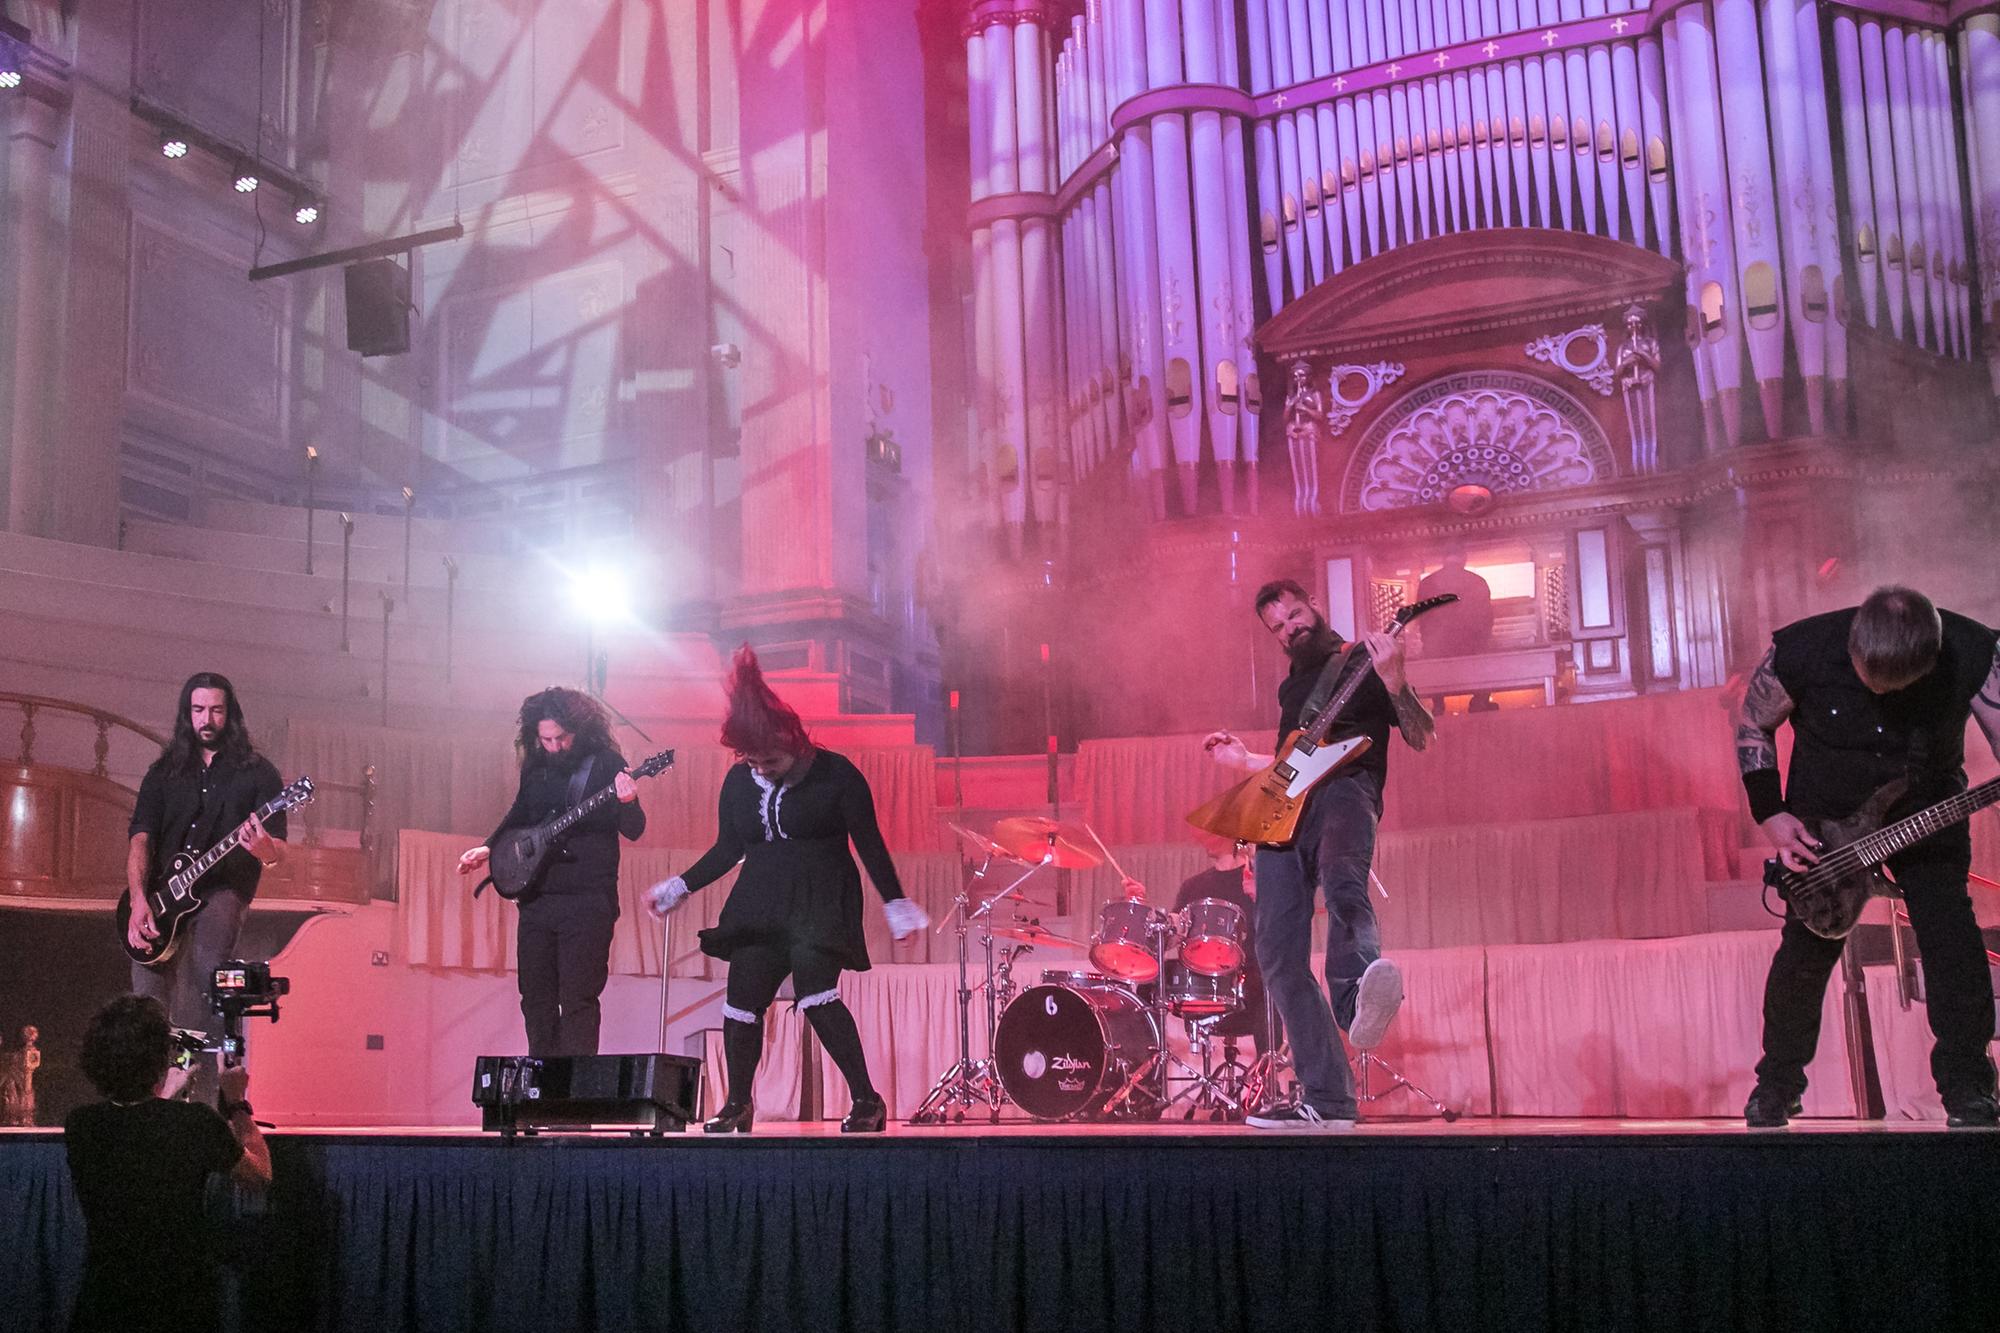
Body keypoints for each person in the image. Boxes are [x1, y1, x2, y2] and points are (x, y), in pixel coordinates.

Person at [1735, 585, 2000, 1128]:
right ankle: (1777, 1084)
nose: (1880, 691)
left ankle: (1968, 1085)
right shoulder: (1804, 650)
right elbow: (1752, 723)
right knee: (1806, 953)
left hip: (1928, 814)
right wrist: (1771, 813)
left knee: (1951, 942)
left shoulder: (1974, 652)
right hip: (1825, 825)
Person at [646, 646, 929, 1133]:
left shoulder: (838, 776)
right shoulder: (739, 781)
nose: (762, 768)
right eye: (752, 760)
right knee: (742, 997)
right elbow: (727, 849)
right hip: (761, 900)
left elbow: (870, 846)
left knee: (815, 992)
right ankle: (738, 1102)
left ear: (793, 740)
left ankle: (866, 1100)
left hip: (821, 899)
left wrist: (897, 905)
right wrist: (681, 886)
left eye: (770, 758)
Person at [1202, 579, 1435, 1130]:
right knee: (1277, 953)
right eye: (1278, 627)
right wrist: (1242, 760)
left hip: (1346, 791)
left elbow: (1422, 736)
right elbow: (1295, 761)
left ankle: (1357, 1002)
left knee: (1343, 880)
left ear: (1315, 606)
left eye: (1295, 615)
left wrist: (1396, 679)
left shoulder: (1361, 660)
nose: (1290, 629)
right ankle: (1327, 1101)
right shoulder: (1291, 691)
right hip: (1286, 807)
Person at [63, 994, 271, 1333]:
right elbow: (259, 1175)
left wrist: (163, 1097)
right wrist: (236, 1104)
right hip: (179, 1303)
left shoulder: (82, 1125)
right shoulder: (195, 1122)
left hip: (105, 1302)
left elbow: (139, 1132)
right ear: (159, 1058)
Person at [458, 687, 646, 1057]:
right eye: (546, 739)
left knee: (577, 1000)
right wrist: (490, 846)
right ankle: (543, 1093)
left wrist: (629, 800)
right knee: (536, 999)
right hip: (538, 900)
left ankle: (573, 1107)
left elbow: (634, 829)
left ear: (579, 729)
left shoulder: (605, 762)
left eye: (561, 738)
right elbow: (520, 814)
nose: (555, 746)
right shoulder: (537, 765)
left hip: (588, 901)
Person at [125, 672, 286, 1099]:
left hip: (222, 889)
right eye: (198, 710)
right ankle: (146, 1089)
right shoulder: (163, 772)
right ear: (186, 714)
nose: (207, 719)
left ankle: (188, 1072)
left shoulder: (258, 773)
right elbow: (141, 838)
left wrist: (263, 847)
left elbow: (276, 853)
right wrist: (140, 900)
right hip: (161, 897)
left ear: (229, 714)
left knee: (205, 967)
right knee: (147, 996)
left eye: (216, 709)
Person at [1171, 839, 1271, 1054]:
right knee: (1146, 987)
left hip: (1250, 980)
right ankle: (1144, 1080)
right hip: (1201, 981)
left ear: (1233, 837)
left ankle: (1267, 1077)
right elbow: (1173, 935)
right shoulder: (1192, 886)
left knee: (1270, 983)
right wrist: (1138, 903)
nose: (1207, 837)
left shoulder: (1258, 879)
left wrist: (1259, 893)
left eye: (1214, 832)